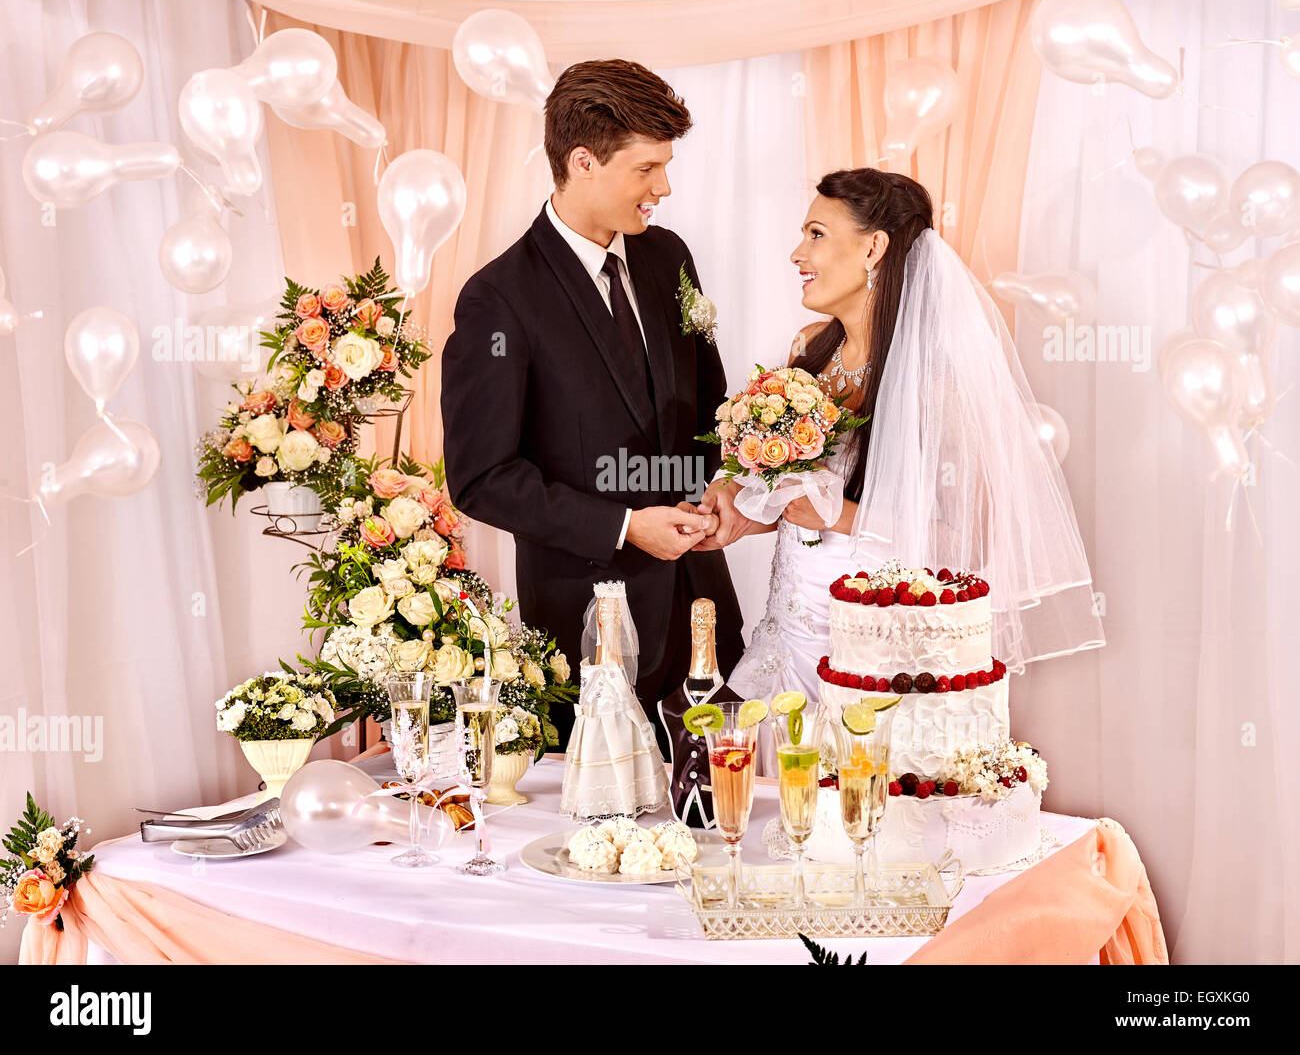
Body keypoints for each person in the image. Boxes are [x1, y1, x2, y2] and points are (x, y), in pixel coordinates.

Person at [690, 168, 1103, 769]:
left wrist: (845, 516)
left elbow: (971, 544)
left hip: (872, 643)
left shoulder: (937, 379)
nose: (796, 253)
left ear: (874, 247)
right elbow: (794, 503)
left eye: (815, 234)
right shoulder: (810, 351)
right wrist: (737, 512)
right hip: (786, 635)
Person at [442, 60, 744, 751]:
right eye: (646, 169)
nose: (663, 187)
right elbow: (481, 476)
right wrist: (623, 524)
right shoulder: (498, 299)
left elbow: (709, 401)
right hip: (588, 625)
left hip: (702, 606)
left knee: (721, 823)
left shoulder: (669, 257)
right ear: (582, 161)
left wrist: (720, 480)